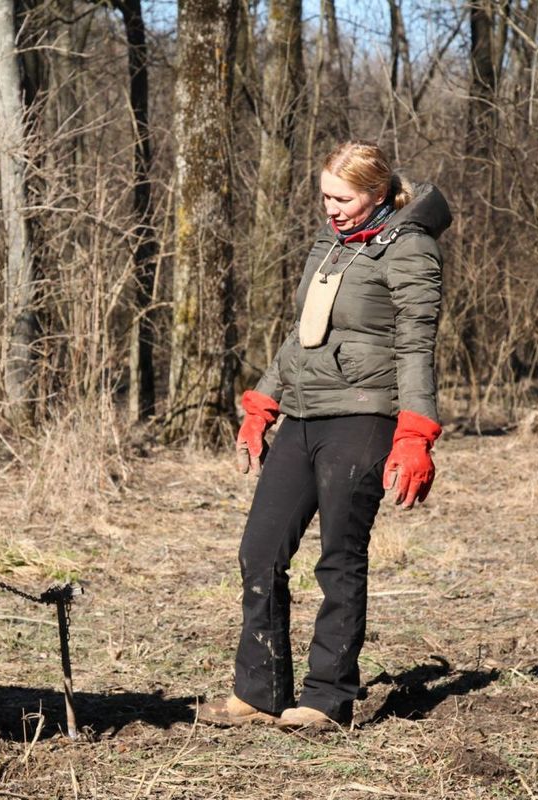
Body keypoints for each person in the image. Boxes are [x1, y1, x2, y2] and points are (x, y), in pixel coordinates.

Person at [205, 141, 451, 730]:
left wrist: (415, 433)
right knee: (260, 550)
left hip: (366, 417)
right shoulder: (332, 244)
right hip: (304, 415)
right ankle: (258, 691)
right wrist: (263, 402)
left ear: (377, 193)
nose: (331, 208)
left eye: (343, 198)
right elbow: (302, 335)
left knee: (339, 559)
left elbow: (418, 344)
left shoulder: (410, 249)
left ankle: (326, 697)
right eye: (324, 197)